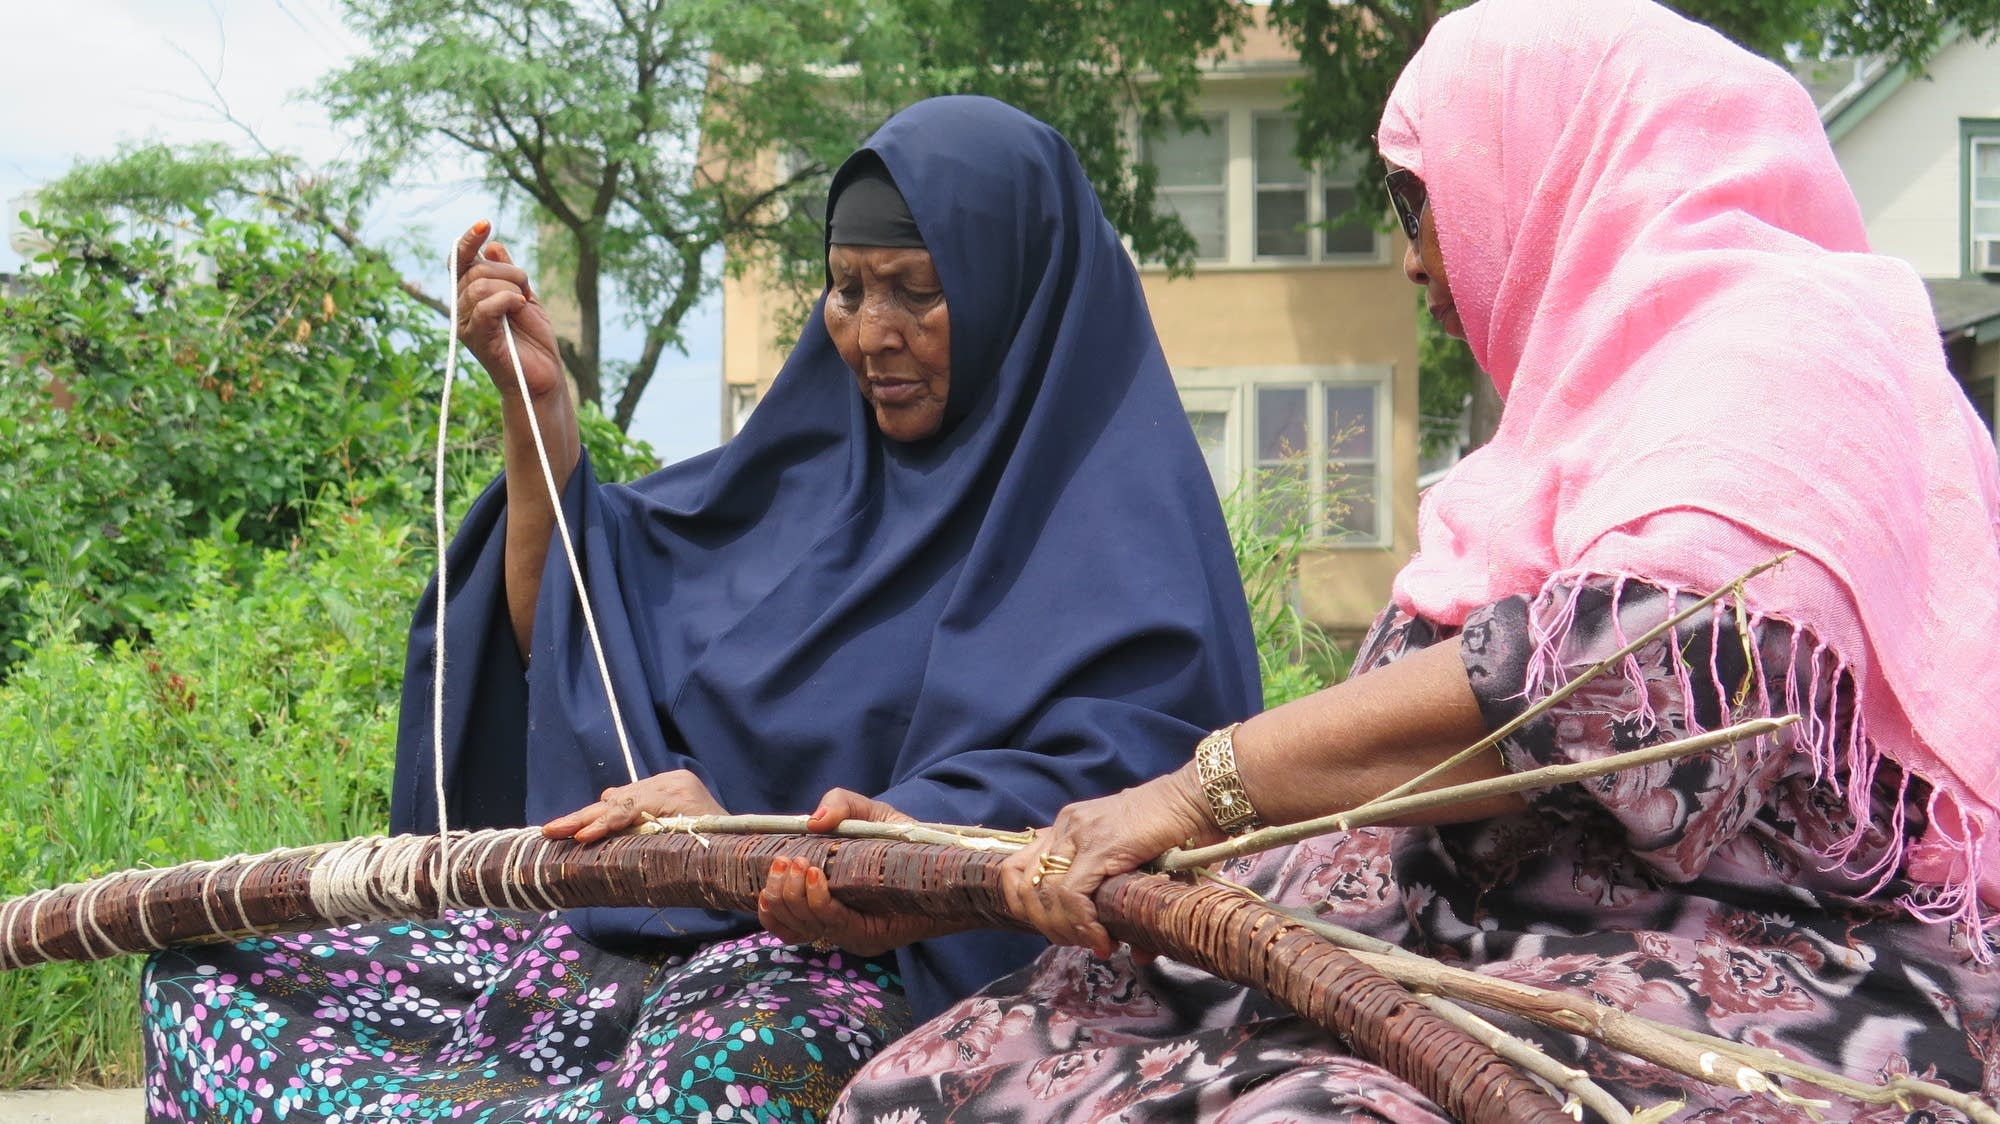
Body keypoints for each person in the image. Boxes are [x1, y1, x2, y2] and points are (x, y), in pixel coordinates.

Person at [831, 2, 2000, 1119]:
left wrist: (1195, 789)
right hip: (1422, 948)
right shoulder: (1568, 428)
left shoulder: (1789, 356)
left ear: (1548, 168)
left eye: (1417, 199)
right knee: (934, 1079)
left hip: (1709, 963)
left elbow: (1630, 672)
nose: (1407, 259)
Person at [139, 95, 1260, 1123]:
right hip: (639, 941)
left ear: (1017, 288)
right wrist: (538, 419)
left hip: (886, 975)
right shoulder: (800, 489)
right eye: (848, 286)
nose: (871, 332)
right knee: (218, 978)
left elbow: (1121, 786)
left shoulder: (1113, 526)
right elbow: (575, 632)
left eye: (917, 290)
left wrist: (756, 838)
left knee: (714, 1076)